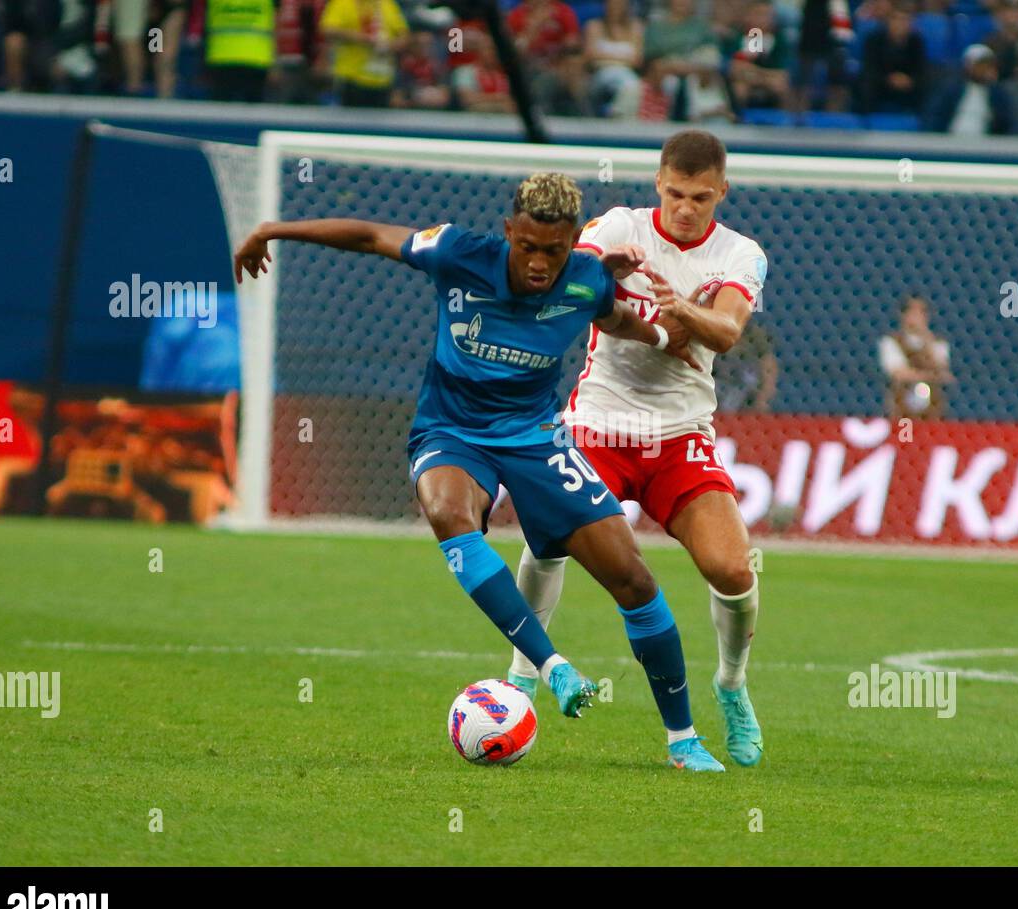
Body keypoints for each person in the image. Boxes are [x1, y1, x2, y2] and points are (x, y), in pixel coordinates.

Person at [232, 172, 727, 772]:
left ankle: (684, 741)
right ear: (508, 232)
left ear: (575, 241)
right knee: (447, 512)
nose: (541, 263)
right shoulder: (457, 252)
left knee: (634, 581)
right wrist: (271, 230)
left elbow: (611, 317)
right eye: (529, 247)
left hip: (536, 440)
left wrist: (656, 333)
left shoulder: (588, 277)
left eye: (555, 249)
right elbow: (367, 235)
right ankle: (551, 667)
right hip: (452, 432)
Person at [507, 131, 770, 769]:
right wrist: (604, 274)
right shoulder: (621, 224)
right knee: (547, 537)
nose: (685, 207)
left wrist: (685, 310)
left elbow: (730, 330)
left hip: (680, 436)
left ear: (721, 193)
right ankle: (519, 682)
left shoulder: (740, 253)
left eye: (700, 197)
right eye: (675, 193)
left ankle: (731, 686)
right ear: (658, 182)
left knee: (734, 572)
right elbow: (567, 276)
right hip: (600, 423)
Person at [320, 0, 410, 108]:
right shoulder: (343, 3)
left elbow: (404, 35)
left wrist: (389, 46)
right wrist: (362, 38)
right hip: (352, 79)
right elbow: (328, 29)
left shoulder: (387, 3)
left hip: (383, 80)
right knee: (350, 120)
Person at [878, 293, 954, 420]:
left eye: (921, 312)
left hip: (933, 411)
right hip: (901, 409)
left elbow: (940, 367)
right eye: (912, 312)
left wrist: (926, 338)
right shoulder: (890, 341)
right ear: (903, 315)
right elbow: (899, 373)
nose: (917, 317)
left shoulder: (938, 342)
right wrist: (931, 376)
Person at [925, 43, 1012, 134]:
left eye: (988, 65)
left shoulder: (997, 95)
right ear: (968, 65)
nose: (984, 69)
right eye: (980, 65)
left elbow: (1005, 123)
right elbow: (935, 116)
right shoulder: (951, 90)